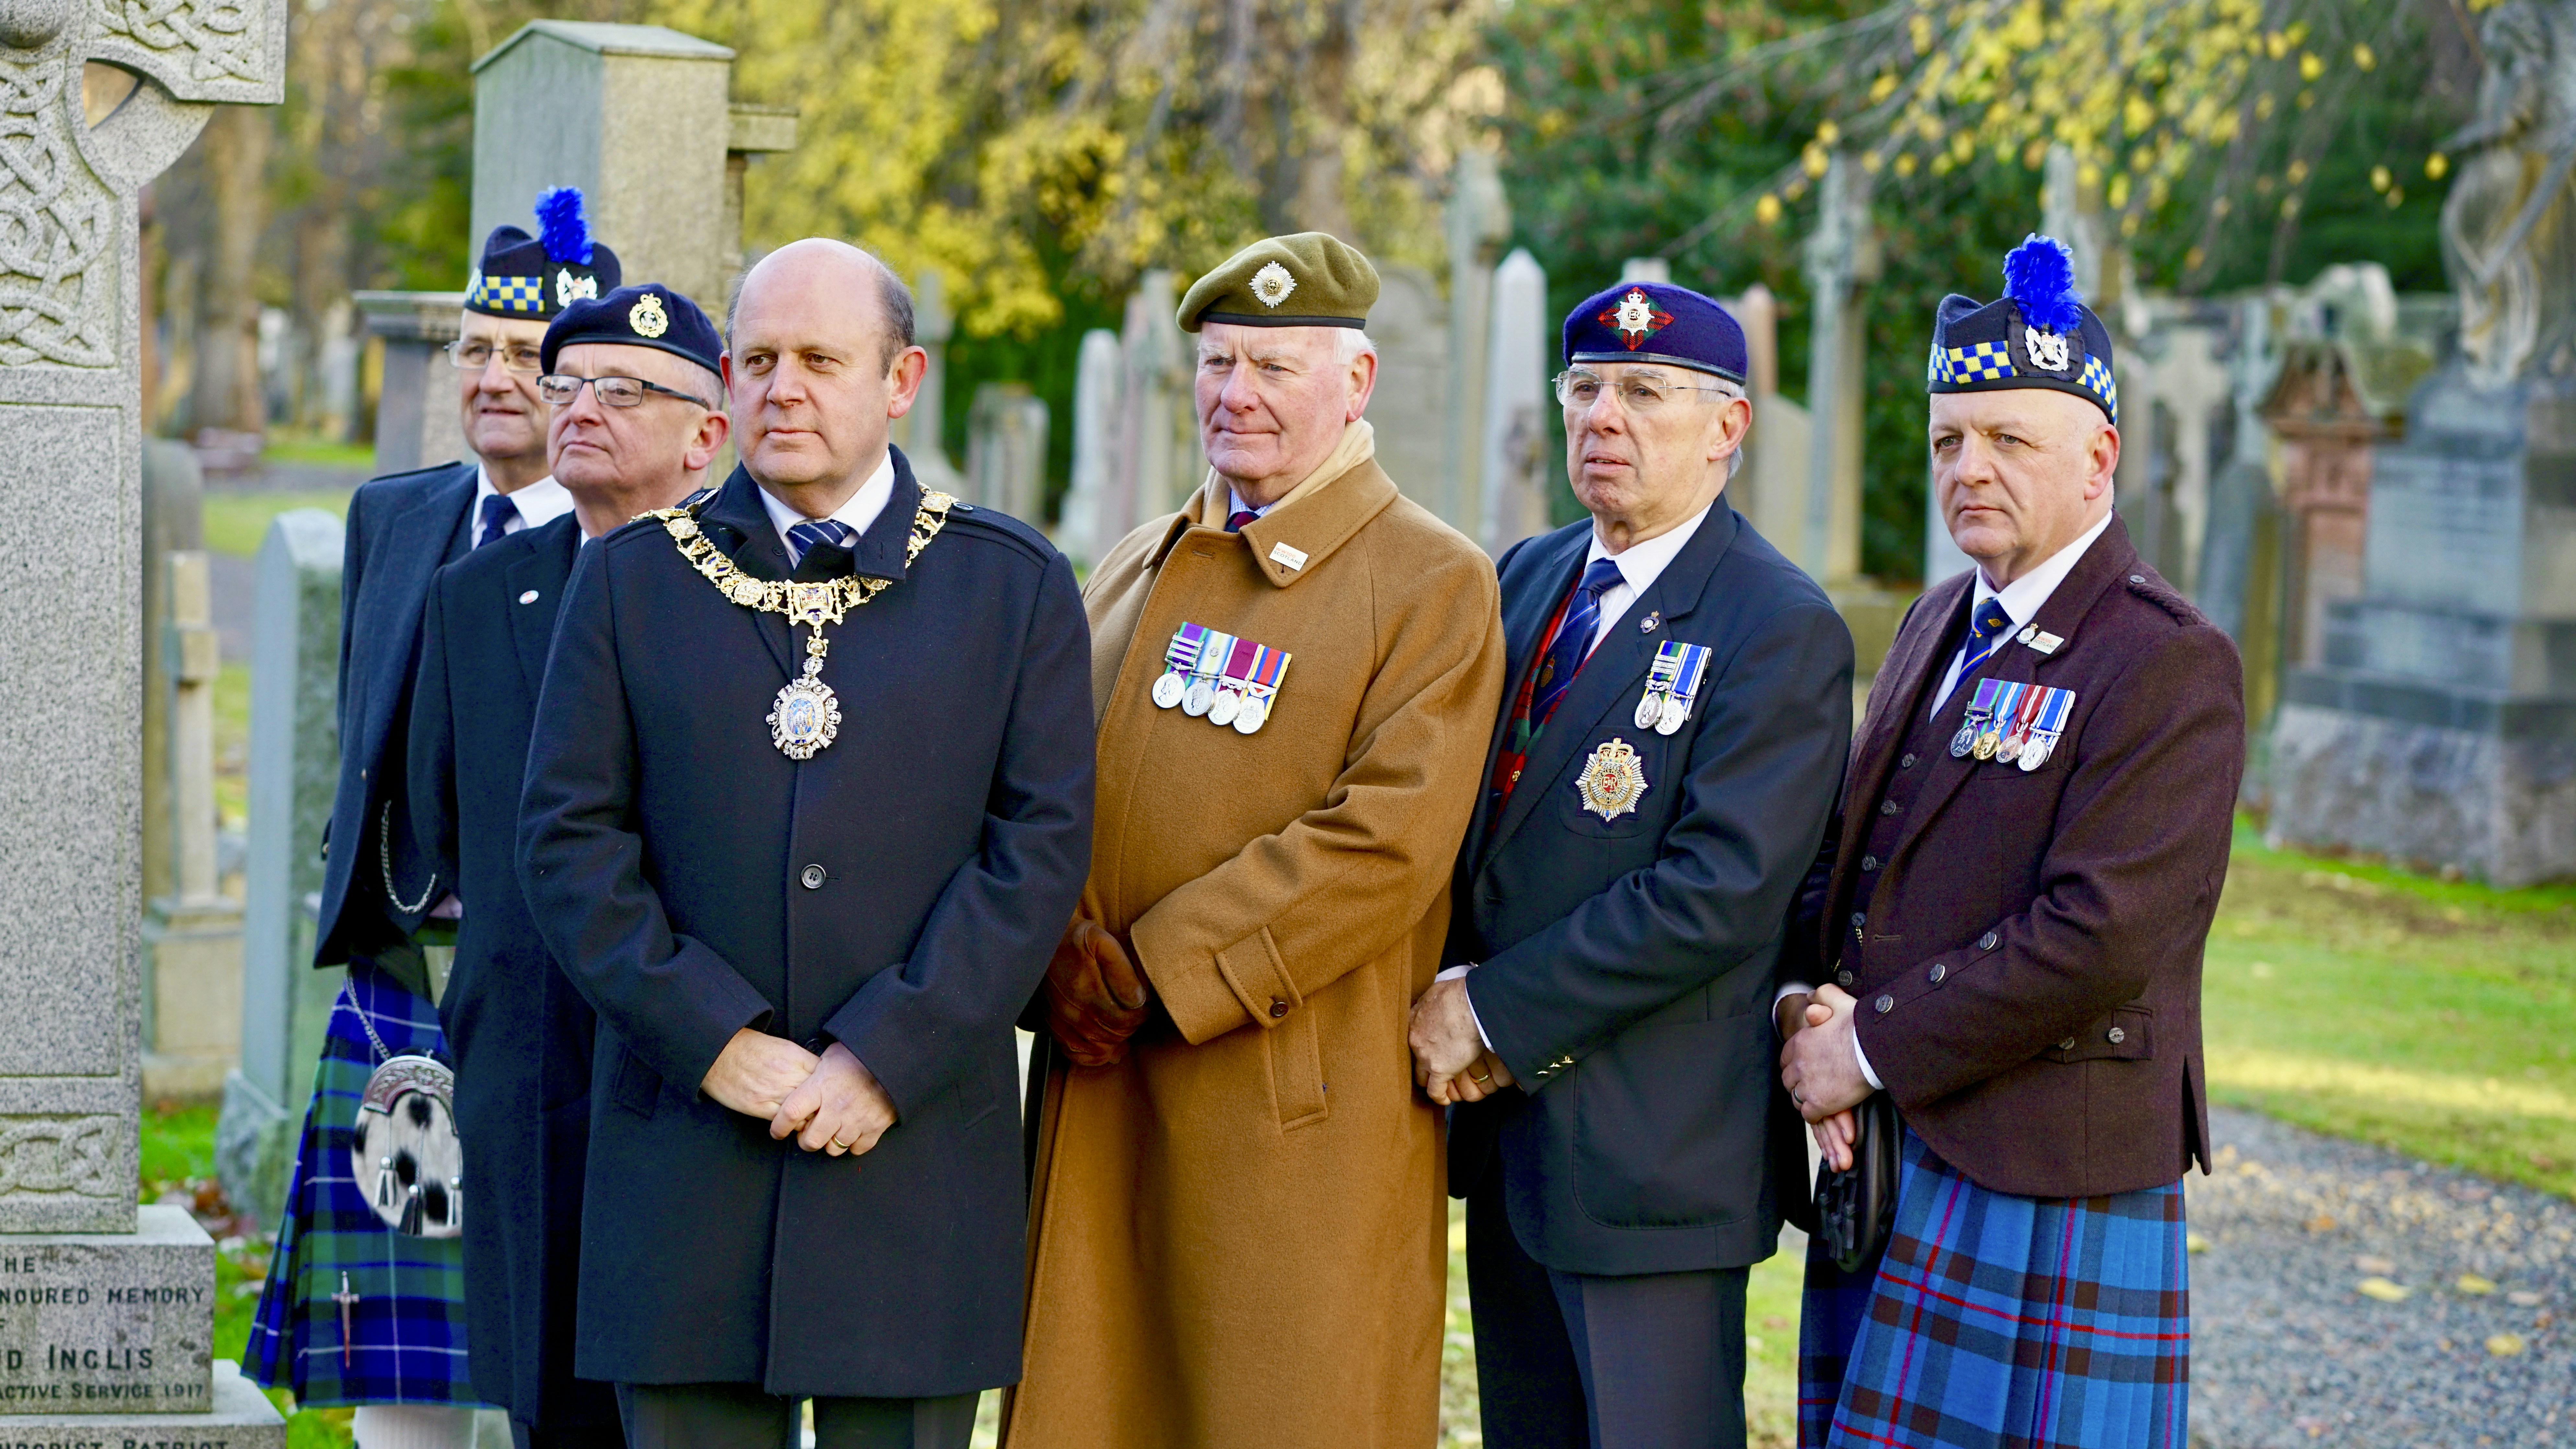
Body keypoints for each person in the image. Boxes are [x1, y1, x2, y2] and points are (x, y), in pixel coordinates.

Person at [516, 238, 1093, 1449]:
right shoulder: (632, 582)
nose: (784, 388)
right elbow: (570, 846)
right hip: (687, 1158)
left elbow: (1035, 851)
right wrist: (712, 1038)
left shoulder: (1012, 585)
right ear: (724, 382)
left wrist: (886, 1054)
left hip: (912, 1157)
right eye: (760, 359)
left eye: (823, 360)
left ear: (901, 380)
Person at [1003, 232, 1507, 1449]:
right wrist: (1054, 953)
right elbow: (1034, 788)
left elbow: (1384, 843)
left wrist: (1162, 971)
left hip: (1284, 1110)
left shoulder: (1431, 581)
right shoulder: (1135, 561)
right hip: (1101, 1077)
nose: (1237, 394)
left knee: (1272, 1409)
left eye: (1276, 366)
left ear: (1358, 382)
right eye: (1220, 362)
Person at [1778, 235, 2242, 1449]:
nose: (1968, 469)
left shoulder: (2165, 660)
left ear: (2100, 459)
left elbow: (2099, 937)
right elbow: (1852, 850)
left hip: (2051, 1162)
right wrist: (1805, 1004)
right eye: (1948, 441)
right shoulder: (1940, 619)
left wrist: (1868, 1048)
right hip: (1899, 1149)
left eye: (2008, 439)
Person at [1412, 283, 1854, 1449]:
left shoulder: (1778, 623)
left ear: (1727, 428)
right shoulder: (1529, 575)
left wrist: (1490, 1016)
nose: (1606, 419)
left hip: (1653, 1163)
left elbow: (1718, 894)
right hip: (1512, 1153)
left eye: (1646, 394)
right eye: (1588, 390)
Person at [247, 189, 619, 1449]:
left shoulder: (628, 550)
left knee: (548, 1357)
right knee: (399, 1361)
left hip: (565, 1002)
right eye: (477, 346)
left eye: (532, 355)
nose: (496, 375)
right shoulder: (393, 516)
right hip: (405, 981)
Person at [408, 282, 729, 1449]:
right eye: (569, 383)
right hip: (530, 1054)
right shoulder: (476, 594)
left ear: (709, 434)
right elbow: (447, 820)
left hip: (698, 1058)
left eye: (625, 388)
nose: (582, 407)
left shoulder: (767, 592)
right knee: (550, 1406)